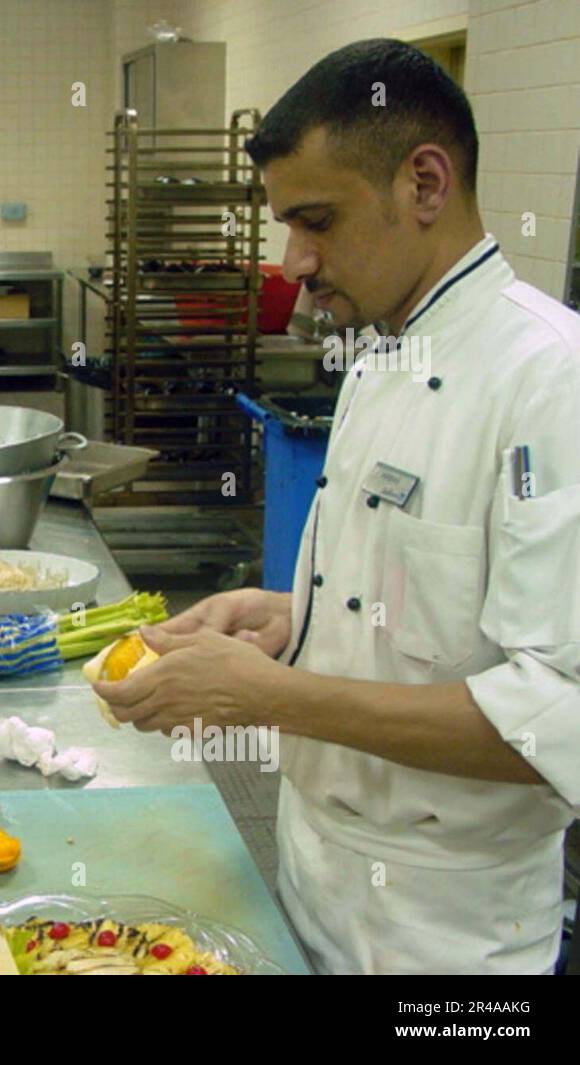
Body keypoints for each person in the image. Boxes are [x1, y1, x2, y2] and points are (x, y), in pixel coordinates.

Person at [95, 38, 579, 974]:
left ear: (425, 183)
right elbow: (419, 615)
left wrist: (272, 697)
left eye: (315, 221)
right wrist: (284, 619)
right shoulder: (379, 354)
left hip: (450, 938)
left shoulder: (549, 380)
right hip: (312, 876)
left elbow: (555, 717)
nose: (293, 262)